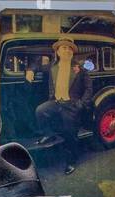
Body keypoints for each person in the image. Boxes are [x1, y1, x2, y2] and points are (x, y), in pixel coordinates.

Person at [34, 37, 94, 176]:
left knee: (70, 134)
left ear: (72, 52)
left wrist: (81, 104)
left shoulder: (80, 68)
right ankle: (49, 134)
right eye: (64, 48)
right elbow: (37, 65)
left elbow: (89, 88)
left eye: (70, 48)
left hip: (72, 105)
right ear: (58, 52)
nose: (67, 50)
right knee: (40, 111)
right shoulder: (53, 66)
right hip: (55, 102)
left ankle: (71, 161)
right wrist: (31, 70)